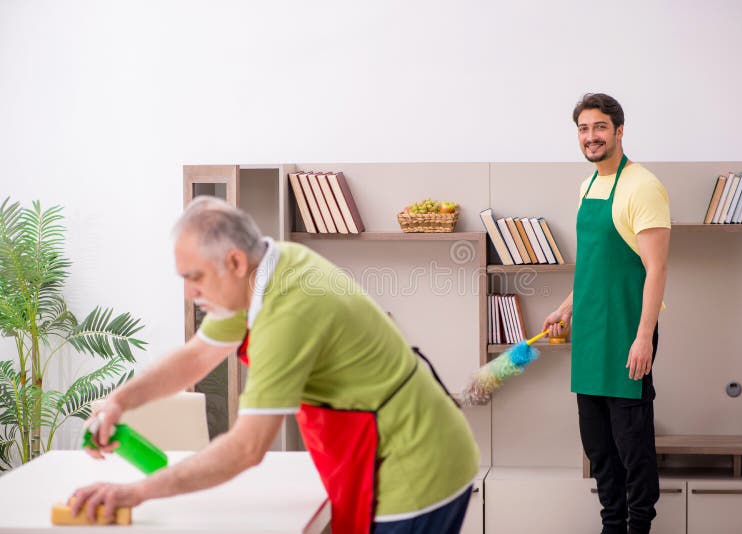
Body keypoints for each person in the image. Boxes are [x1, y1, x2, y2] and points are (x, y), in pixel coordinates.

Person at [70, 196, 479, 534]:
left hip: (415, 468)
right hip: (388, 444)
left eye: (194, 276)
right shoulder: (264, 268)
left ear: (233, 261)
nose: (189, 292)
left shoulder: (288, 312)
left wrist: (137, 492)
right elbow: (197, 356)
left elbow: (246, 448)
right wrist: (119, 401)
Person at [542, 93, 670, 534]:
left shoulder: (643, 186)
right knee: (598, 449)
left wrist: (643, 337)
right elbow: (593, 266)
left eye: (599, 127)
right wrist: (565, 308)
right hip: (591, 333)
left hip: (627, 334)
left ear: (618, 131)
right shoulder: (588, 186)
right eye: (583, 128)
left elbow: (656, 267)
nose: (590, 137)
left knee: (632, 447)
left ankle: (638, 528)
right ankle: (611, 525)